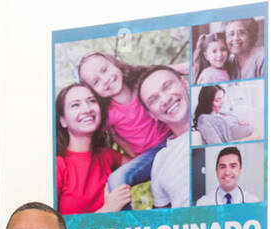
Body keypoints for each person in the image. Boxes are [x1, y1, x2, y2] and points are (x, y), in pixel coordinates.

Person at [76, 52, 186, 198]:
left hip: (172, 138)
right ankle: (126, 220)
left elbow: (162, 73)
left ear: (115, 64)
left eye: (105, 70)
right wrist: (133, 156)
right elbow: (114, 136)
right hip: (148, 156)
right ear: (93, 91)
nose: (106, 79)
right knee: (116, 179)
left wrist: (187, 67)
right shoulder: (107, 113)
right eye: (96, 82)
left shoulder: (140, 83)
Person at [53, 83, 130, 214]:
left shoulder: (107, 156)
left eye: (91, 101)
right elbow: (50, 227)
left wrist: (115, 134)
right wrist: (106, 210)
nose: (87, 109)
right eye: (75, 105)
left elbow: (143, 164)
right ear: (63, 121)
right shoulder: (58, 165)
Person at [136, 66, 204, 209]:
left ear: (185, 84)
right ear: (152, 114)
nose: (165, 99)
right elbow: (163, 218)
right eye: (154, 99)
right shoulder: (160, 161)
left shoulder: (220, 121)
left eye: (167, 86)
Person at [192, 85, 258, 145]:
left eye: (222, 98)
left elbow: (232, 126)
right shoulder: (204, 120)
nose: (222, 102)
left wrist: (240, 123)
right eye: (218, 100)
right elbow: (216, 144)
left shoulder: (221, 112)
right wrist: (250, 138)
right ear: (207, 101)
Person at [195, 146, 260, 205]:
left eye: (233, 166)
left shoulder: (253, 202)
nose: (227, 172)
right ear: (216, 171)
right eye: (223, 167)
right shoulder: (203, 203)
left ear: (240, 170)